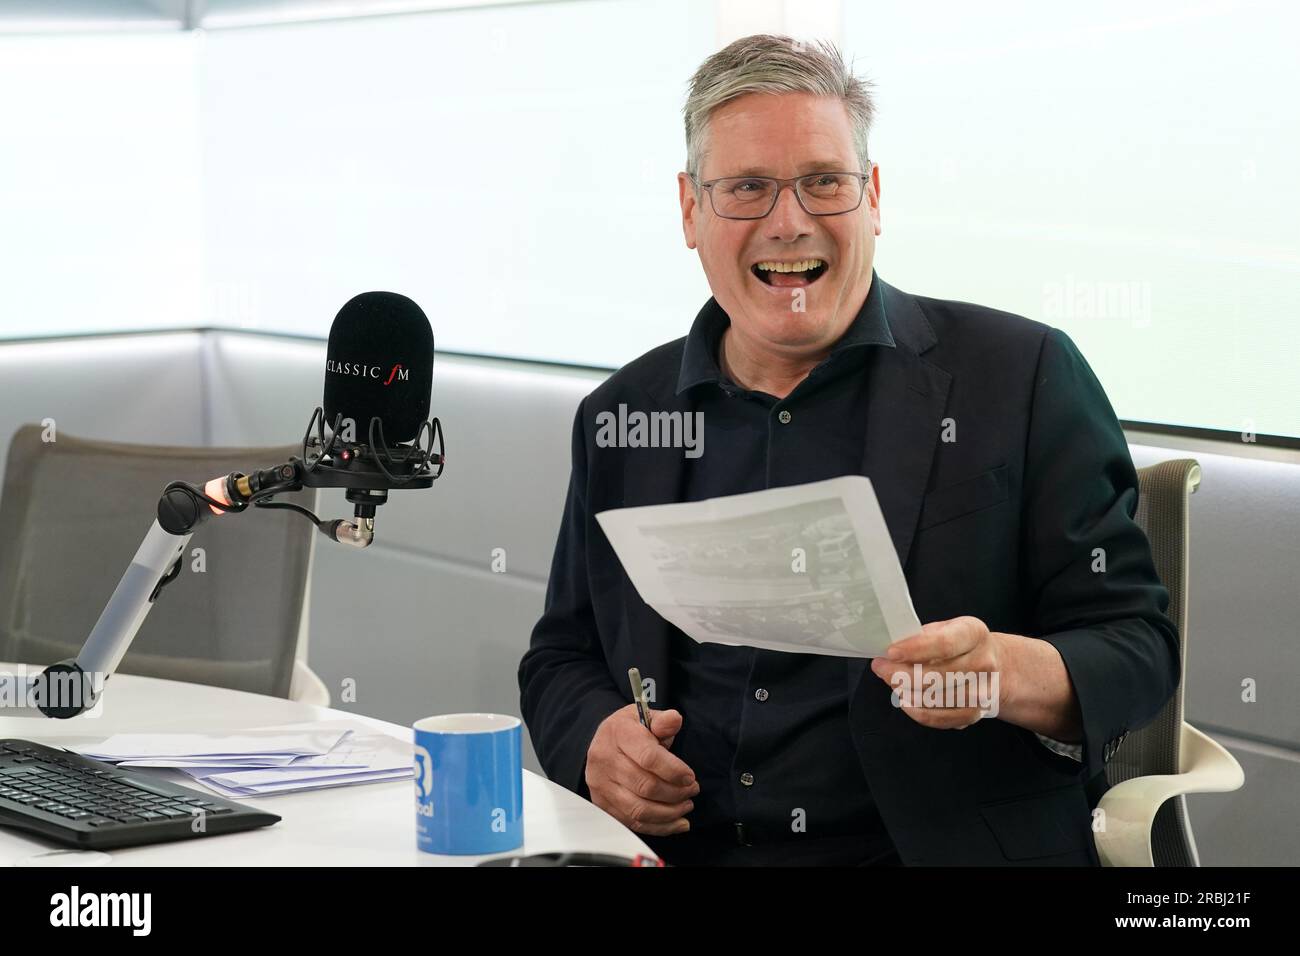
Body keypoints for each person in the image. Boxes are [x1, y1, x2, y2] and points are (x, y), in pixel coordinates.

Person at [518, 34, 1178, 866]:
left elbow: (1137, 648)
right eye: (747, 188)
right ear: (690, 210)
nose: (788, 221)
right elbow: (562, 654)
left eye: (824, 182)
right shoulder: (622, 414)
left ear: (873, 198)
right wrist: (595, 740)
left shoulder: (1022, 375)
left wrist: (1002, 673)